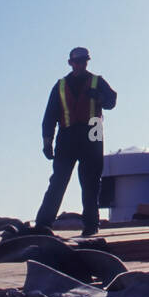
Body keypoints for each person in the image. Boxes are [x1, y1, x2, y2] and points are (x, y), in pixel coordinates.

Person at [34, 47, 117, 238]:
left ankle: (91, 224)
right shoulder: (61, 85)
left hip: (93, 133)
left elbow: (112, 101)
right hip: (68, 135)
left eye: (83, 61)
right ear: (70, 63)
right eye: (77, 62)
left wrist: (101, 97)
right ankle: (43, 224)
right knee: (58, 180)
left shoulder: (97, 81)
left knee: (91, 182)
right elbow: (50, 115)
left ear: (87, 62)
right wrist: (47, 141)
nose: (80, 65)